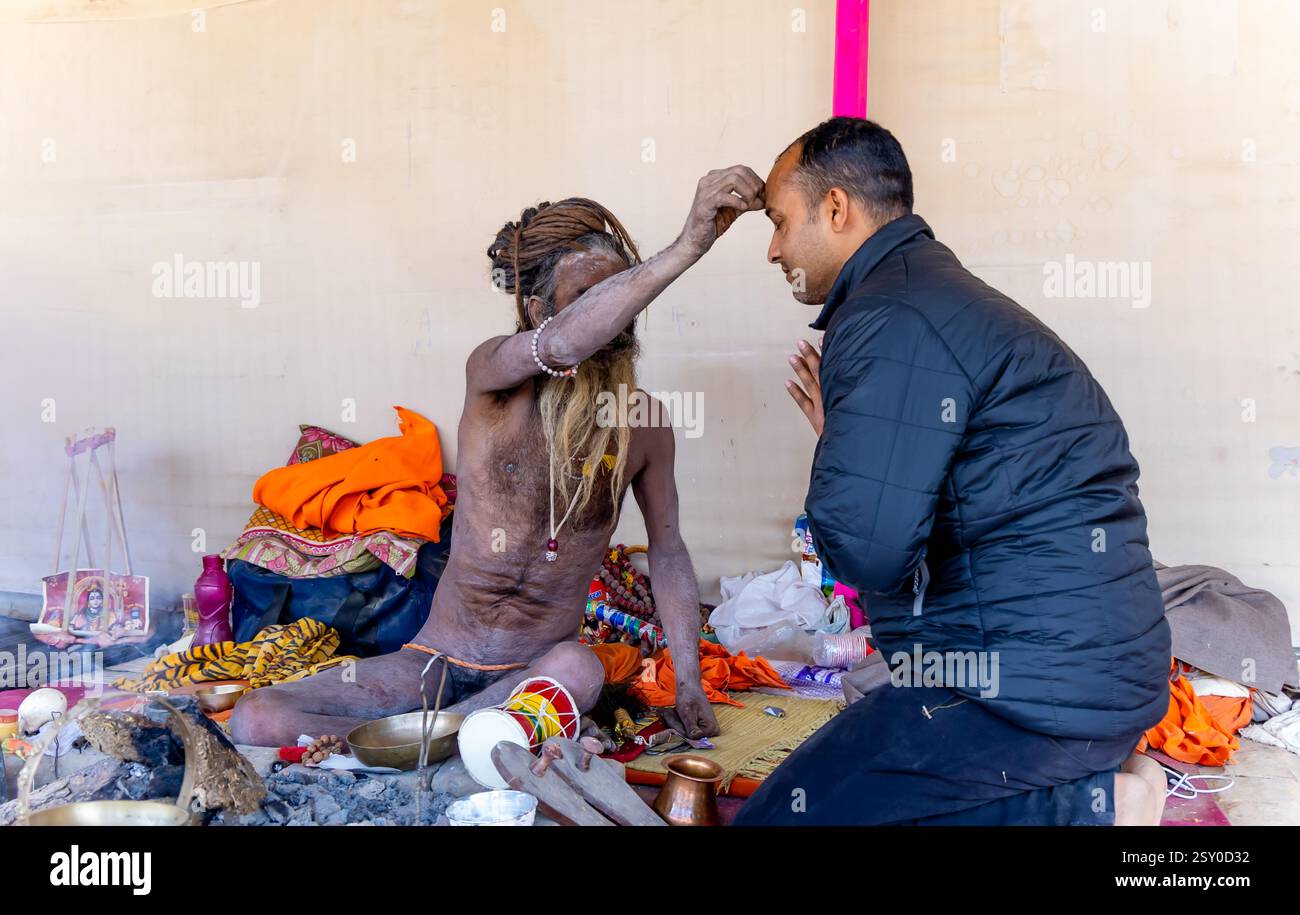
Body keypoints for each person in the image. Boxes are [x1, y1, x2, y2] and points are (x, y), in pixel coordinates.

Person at [231, 166, 767, 748]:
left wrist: (689, 681)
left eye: (625, 291)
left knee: (579, 668)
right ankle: (458, 741)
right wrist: (688, 246)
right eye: (592, 298)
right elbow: (565, 345)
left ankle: (417, 743)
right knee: (256, 717)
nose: (618, 317)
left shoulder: (645, 425)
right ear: (538, 311)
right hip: (435, 660)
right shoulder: (492, 378)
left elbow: (668, 550)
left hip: (535, 674)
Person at [735, 117, 1171, 826]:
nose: (774, 249)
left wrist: (837, 448)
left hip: (1027, 699)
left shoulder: (887, 317)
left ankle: (1101, 806)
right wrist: (848, 442)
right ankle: (1102, 776)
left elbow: (868, 549)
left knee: (782, 820)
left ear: (837, 208)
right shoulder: (929, 296)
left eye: (780, 223)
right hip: (1087, 678)